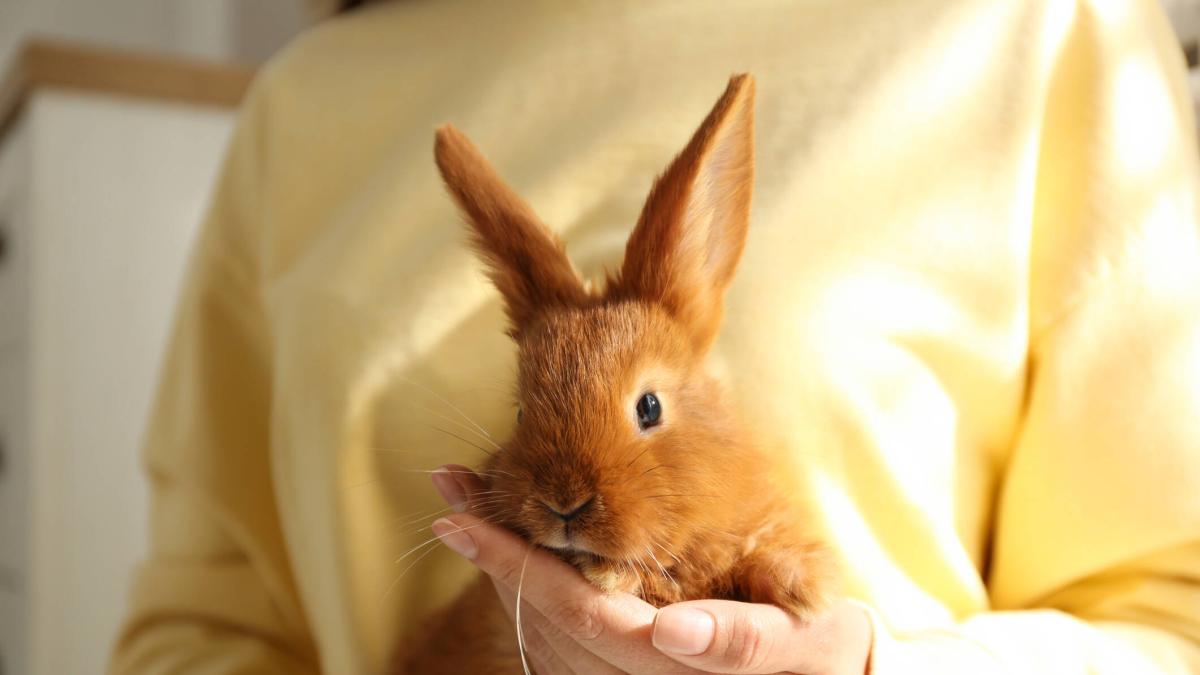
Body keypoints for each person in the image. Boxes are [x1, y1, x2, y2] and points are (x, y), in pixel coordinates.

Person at [110, 0, 1200, 673]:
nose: (577, 486)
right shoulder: (306, 100)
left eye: (641, 413)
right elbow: (202, 630)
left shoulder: (1039, 26)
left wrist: (877, 670)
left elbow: (1173, 621)